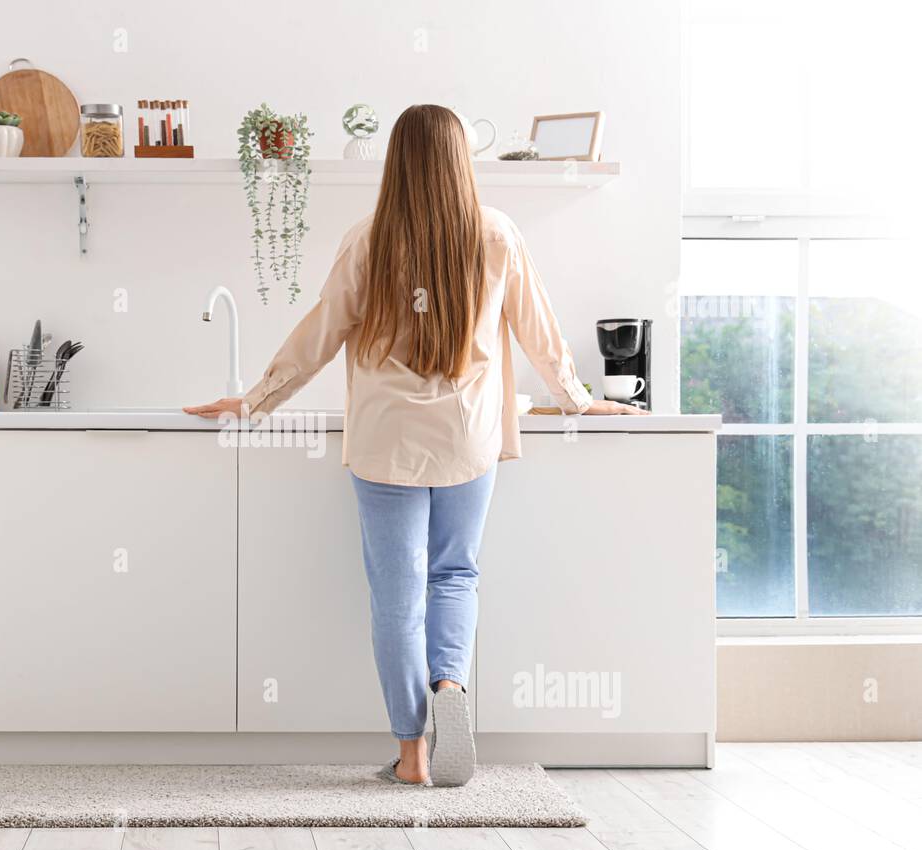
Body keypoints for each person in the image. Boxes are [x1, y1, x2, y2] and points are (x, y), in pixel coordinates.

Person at [186, 104, 646, 786]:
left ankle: (412, 754)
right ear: (462, 160)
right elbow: (540, 333)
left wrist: (255, 399)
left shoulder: (368, 239)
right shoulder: (498, 236)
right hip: (467, 437)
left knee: (397, 598)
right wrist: (580, 399)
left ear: (395, 161)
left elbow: (320, 333)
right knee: (455, 574)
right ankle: (451, 689)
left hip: (386, 441)